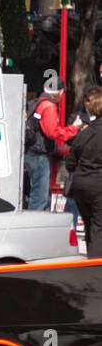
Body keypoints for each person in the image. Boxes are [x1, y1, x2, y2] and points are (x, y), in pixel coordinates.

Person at [25, 80, 78, 210]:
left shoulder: (37, 103)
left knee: (38, 193)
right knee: (40, 198)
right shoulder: (49, 106)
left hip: (31, 153)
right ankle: (36, 222)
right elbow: (53, 132)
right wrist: (74, 128)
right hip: (39, 156)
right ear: (60, 92)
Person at [65, 88, 102, 258]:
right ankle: (95, 265)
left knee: (90, 226)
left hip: (81, 186)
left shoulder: (84, 133)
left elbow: (70, 163)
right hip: (98, 186)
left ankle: (91, 260)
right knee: (98, 228)